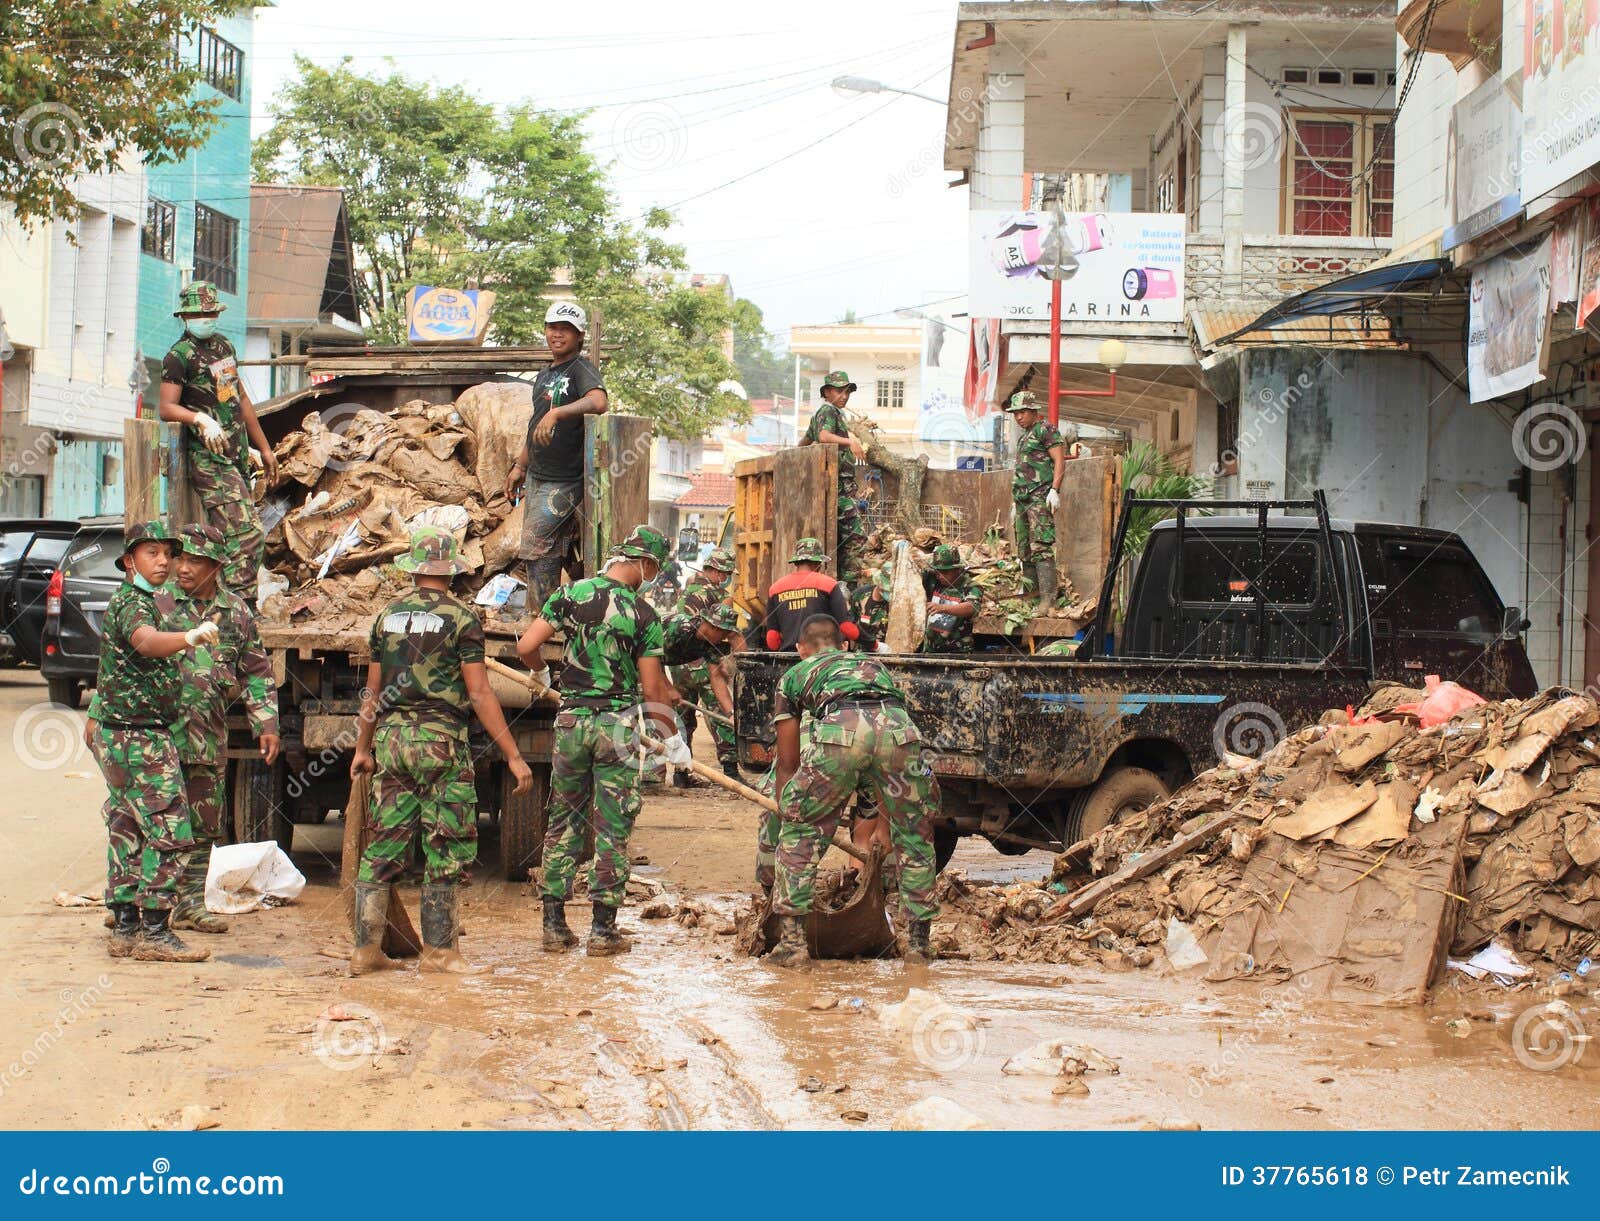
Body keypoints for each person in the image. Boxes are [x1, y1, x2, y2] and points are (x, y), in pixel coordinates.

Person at [350, 526, 532, 976]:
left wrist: (362, 749)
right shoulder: (462, 619)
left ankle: (365, 951)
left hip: (392, 741)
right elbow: (480, 693)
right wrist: (512, 753)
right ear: (451, 570)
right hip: (441, 743)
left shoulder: (385, 616)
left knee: (385, 844)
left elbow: (372, 691)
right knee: (445, 844)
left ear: (413, 568)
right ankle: (440, 953)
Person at [517, 524, 683, 957]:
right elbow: (651, 690)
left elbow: (526, 646)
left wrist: (540, 672)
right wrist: (667, 735)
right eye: (654, 567)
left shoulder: (572, 595)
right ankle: (603, 933)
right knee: (612, 829)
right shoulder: (644, 615)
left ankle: (553, 927)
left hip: (571, 723)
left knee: (563, 823)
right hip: (618, 728)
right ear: (644, 564)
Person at [766, 616, 940, 969]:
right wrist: (887, 823)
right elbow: (882, 746)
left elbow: (787, 760)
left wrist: (789, 810)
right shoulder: (875, 667)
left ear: (801, 648)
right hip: (900, 733)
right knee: (917, 834)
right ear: (843, 645)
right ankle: (920, 946)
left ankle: (792, 946)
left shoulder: (794, 675)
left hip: (840, 734)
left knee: (801, 833)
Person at [85, 521, 219, 963]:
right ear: (129, 561)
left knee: (127, 827)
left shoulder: (143, 601)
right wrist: (189, 637)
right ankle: (155, 932)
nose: (163, 561)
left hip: (123, 733)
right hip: (138, 736)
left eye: (168, 553)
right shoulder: (134, 606)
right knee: (173, 830)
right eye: (151, 553)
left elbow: (114, 667)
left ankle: (125, 927)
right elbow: (144, 644)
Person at [154, 524, 281, 935]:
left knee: (205, 824)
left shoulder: (237, 614)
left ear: (216, 567)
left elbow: (257, 672)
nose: (183, 568)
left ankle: (190, 904)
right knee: (151, 820)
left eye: (194, 560)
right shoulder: (159, 606)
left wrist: (267, 723)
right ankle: (139, 903)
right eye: (180, 559)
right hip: (157, 738)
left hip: (207, 739)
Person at [158, 282, 277, 597]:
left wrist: (263, 448)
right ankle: (240, 607)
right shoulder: (178, 356)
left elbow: (238, 398)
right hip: (208, 459)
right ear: (186, 316)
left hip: (234, 455)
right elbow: (166, 407)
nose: (205, 317)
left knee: (230, 535)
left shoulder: (224, 346)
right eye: (199, 313)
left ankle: (220, 600)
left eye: (210, 312)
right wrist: (198, 418)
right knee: (248, 533)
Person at [504, 301, 609, 614]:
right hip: (537, 474)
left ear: (579, 337)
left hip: (565, 478)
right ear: (545, 331)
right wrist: (520, 466)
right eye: (553, 327)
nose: (558, 334)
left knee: (535, 542)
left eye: (566, 329)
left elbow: (599, 401)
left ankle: (540, 615)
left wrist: (558, 413)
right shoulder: (544, 375)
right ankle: (548, 612)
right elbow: (535, 424)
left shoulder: (582, 368)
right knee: (551, 547)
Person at [666, 548, 739, 778]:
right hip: (694, 659)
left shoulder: (688, 586)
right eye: (725, 573)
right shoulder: (718, 595)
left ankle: (681, 773)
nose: (725, 578)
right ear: (716, 570)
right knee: (715, 712)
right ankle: (730, 770)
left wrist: (731, 712)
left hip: (679, 666)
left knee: (683, 717)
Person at [662, 601, 743, 782]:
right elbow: (650, 658)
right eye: (723, 633)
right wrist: (668, 688)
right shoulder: (679, 628)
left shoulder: (710, 643)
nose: (723, 637)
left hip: (663, 661)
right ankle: (656, 776)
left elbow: (716, 678)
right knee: (660, 715)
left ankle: (729, 773)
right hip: (635, 660)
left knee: (698, 715)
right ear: (711, 626)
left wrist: (730, 712)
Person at [798, 370, 868, 579]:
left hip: (839, 488)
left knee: (838, 538)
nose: (844, 396)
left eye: (847, 392)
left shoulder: (826, 414)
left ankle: (838, 579)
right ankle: (848, 582)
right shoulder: (828, 411)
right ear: (827, 392)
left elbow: (804, 443)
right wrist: (851, 442)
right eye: (838, 391)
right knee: (856, 537)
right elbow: (822, 436)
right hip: (838, 488)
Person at [1005, 390, 1067, 611]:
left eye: (1022, 412)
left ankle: (1047, 600)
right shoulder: (1025, 436)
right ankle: (1032, 597)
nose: (1018, 417)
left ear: (1033, 410)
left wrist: (1055, 490)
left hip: (1039, 497)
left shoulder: (1046, 430)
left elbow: (1059, 461)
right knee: (1024, 549)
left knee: (1041, 545)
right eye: (1015, 414)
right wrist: (1014, 503)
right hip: (1022, 500)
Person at [761, 538, 861, 652]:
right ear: (817, 563)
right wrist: (874, 644)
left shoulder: (775, 588)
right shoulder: (829, 584)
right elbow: (846, 628)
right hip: (822, 658)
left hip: (789, 660)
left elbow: (772, 639)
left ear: (796, 562)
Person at [920, 545, 981, 654]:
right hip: (930, 649)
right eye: (938, 572)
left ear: (957, 569)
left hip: (958, 652)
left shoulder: (971, 586)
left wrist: (942, 608)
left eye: (946, 573)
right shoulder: (933, 580)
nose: (940, 576)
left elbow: (971, 607)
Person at [850, 562, 894, 653]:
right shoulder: (859, 595)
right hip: (861, 653)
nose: (887, 593)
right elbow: (850, 621)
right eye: (885, 589)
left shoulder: (896, 603)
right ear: (878, 582)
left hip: (886, 653)